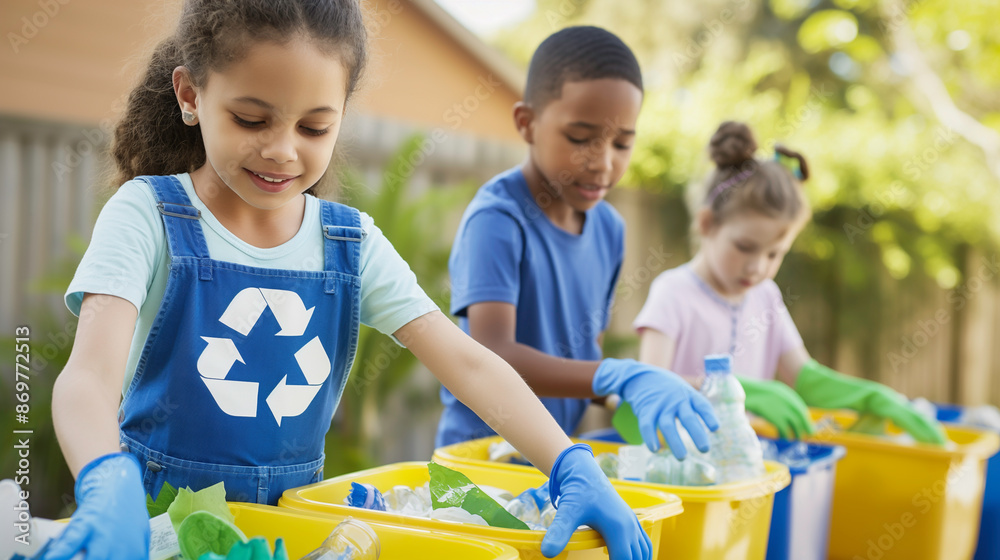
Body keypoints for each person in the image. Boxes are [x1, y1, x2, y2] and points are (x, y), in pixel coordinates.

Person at [44, 3, 653, 559]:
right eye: (252, 118)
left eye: (314, 128)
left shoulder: (349, 243)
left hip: (293, 537)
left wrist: (570, 464)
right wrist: (107, 481)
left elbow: (469, 365)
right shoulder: (146, 214)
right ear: (191, 94)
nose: (283, 150)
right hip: (149, 531)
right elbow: (89, 378)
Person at [436, 26, 719, 459]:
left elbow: (584, 355)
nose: (603, 162)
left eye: (623, 143)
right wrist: (617, 375)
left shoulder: (610, 229)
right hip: (482, 460)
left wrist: (638, 392)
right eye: (580, 138)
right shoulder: (498, 220)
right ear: (527, 124)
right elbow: (492, 354)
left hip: (556, 458)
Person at [633, 121, 946, 444]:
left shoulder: (765, 296)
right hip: (678, 466)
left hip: (743, 467)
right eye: (745, 247)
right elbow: (648, 384)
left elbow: (803, 377)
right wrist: (733, 390)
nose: (757, 267)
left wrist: (871, 397)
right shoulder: (674, 293)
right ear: (707, 223)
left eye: (774, 254)